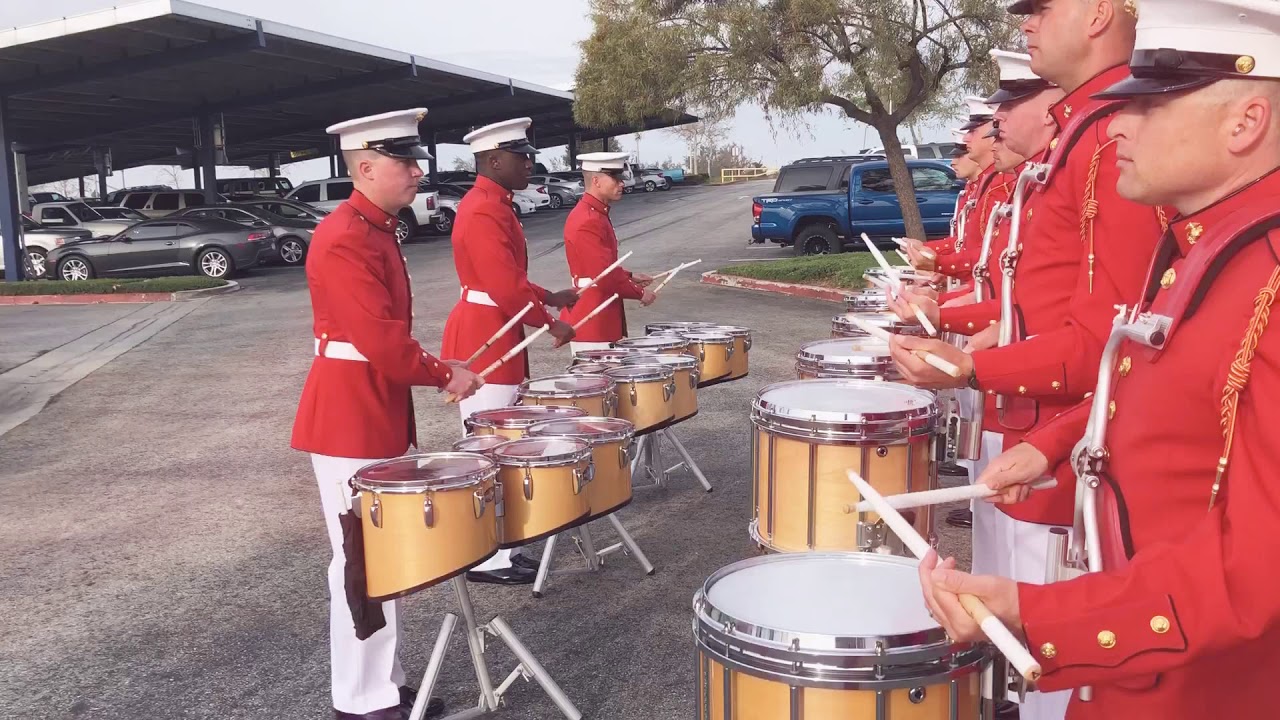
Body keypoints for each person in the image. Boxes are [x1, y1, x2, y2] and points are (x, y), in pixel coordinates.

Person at [918, 1, 1280, 717]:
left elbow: (1258, 567)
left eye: (1146, 108)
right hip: (1140, 659)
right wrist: (1056, 443)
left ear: (1246, 122)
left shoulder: (1262, 271)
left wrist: (1044, 615)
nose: (1116, 126)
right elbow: (1148, 393)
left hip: (1196, 684)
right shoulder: (1204, 240)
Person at [889, 21, 1168, 720]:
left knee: (1048, 648)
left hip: (1064, 435)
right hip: (1042, 424)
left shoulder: (1100, 142)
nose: (995, 120)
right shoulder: (1076, 148)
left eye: (1010, 102)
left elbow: (1109, 342)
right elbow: (1030, 299)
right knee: (1014, 612)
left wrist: (973, 370)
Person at [292, 108, 483, 720]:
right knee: (359, 559)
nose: (418, 171)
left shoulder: (373, 227)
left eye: (415, 160)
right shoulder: (347, 235)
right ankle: (360, 699)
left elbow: (384, 338)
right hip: (350, 413)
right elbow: (378, 340)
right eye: (405, 162)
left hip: (370, 406)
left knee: (377, 553)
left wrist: (434, 363)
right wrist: (441, 372)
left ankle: (383, 684)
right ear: (366, 167)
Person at [439, 117, 579, 585]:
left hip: (498, 327)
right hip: (485, 335)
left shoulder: (493, 204)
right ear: (493, 160)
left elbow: (506, 278)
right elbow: (501, 286)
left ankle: (496, 546)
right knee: (487, 449)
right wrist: (551, 320)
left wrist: (548, 297)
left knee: (500, 443)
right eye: (521, 158)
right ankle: (483, 556)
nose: (530, 165)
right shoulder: (483, 209)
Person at [561, 151, 657, 353]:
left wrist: (629, 276)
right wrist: (640, 293)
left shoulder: (596, 214)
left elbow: (602, 266)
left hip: (601, 311)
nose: (621, 183)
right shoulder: (588, 219)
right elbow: (602, 276)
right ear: (595, 180)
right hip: (593, 318)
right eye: (615, 177)